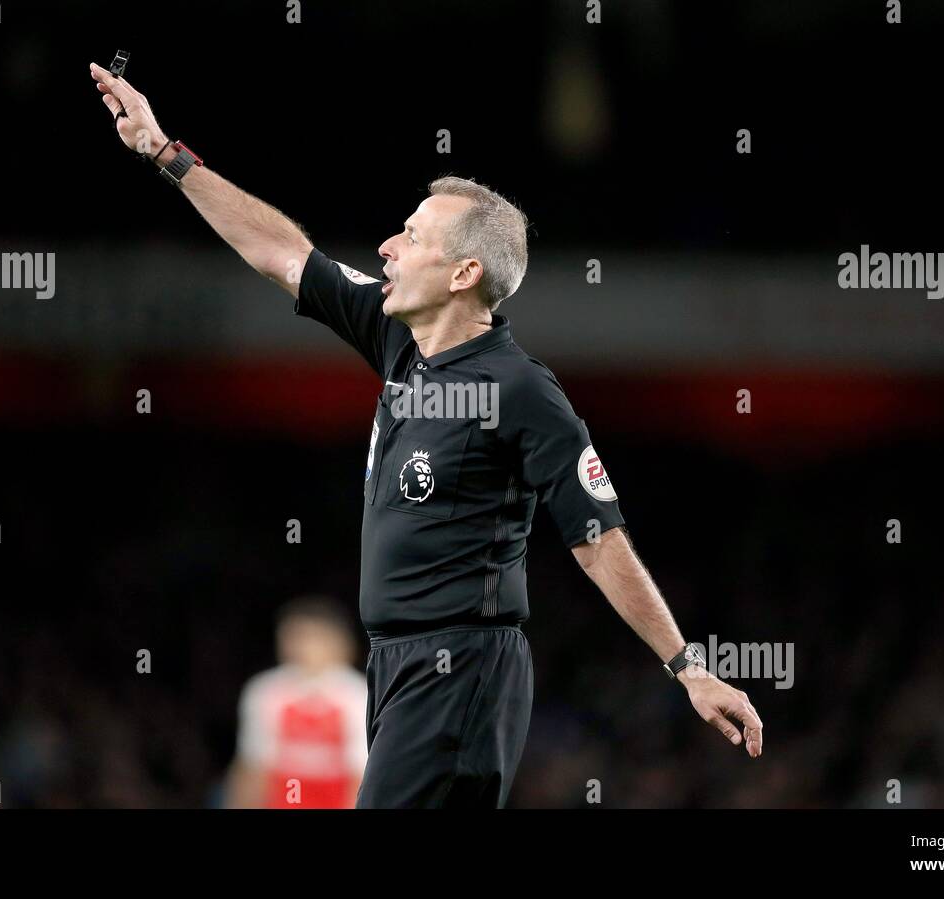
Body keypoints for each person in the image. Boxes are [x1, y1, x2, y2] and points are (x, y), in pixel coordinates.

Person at [90, 61, 764, 809]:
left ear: (462, 272)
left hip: (460, 667)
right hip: (398, 668)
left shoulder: (520, 391)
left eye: (410, 236)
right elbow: (281, 253)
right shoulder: (397, 340)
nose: (386, 246)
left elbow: (599, 538)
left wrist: (688, 667)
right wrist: (164, 153)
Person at [226, 596, 367, 809]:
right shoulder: (265, 691)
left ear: (340, 644)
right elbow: (252, 767)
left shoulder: (358, 695)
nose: (301, 648)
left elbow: (362, 775)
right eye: (293, 638)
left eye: (311, 638)